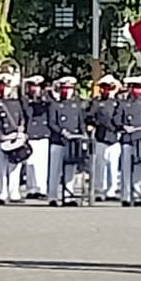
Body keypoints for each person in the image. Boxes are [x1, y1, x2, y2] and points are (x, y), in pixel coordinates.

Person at [0, 75, 29, 205]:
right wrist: (0, 135)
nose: (6, 90)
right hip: (3, 138)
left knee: (15, 166)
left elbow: (23, 117)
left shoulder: (16, 102)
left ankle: (14, 193)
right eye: (4, 87)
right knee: (1, 167)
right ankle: (2, 194)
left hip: (15, 137)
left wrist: (21, 129)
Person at [46, 76, 83, 206]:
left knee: (70, 171)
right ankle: (52, 197)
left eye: (70, 89)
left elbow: (80, 122)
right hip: (58, 141)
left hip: (72, 142)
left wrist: (82, 135)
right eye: (65, 88)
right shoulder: (54, 105)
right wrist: (62, 132)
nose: (67, 91)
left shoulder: (76, 105)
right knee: (54, 170)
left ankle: (69, 196)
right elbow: (51, 123)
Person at [114, 77, 141, 206]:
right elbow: (117, 119)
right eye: (135, 87)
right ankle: (126, 196)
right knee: (126, 168)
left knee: (139, 168)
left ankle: (138, 194)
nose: (137, 90)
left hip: (139, 138)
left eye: (139, 87)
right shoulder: (123, 103)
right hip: (127, 140)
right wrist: (124, 126)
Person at [88, 75, 121, 201]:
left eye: (109, 88)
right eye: (104, 88)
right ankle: (99, 190)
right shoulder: (96, 102)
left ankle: (111, 191)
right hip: (101, 136)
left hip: (114, 137)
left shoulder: (118, 102)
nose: (107, 90)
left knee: (113, 166)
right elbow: (90, 116)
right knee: (100, 165)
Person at [22, 76, 51, 200]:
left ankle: (41, 188)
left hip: (43, 133)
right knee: (30, 163)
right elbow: (27, 113)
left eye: (37, 86)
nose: (35, 89)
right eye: (33, 86)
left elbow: (48, 108)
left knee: (41, 164)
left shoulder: (45, 100)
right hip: (30, 134)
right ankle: (31, 188)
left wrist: (43, 96)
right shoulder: (25, 100)